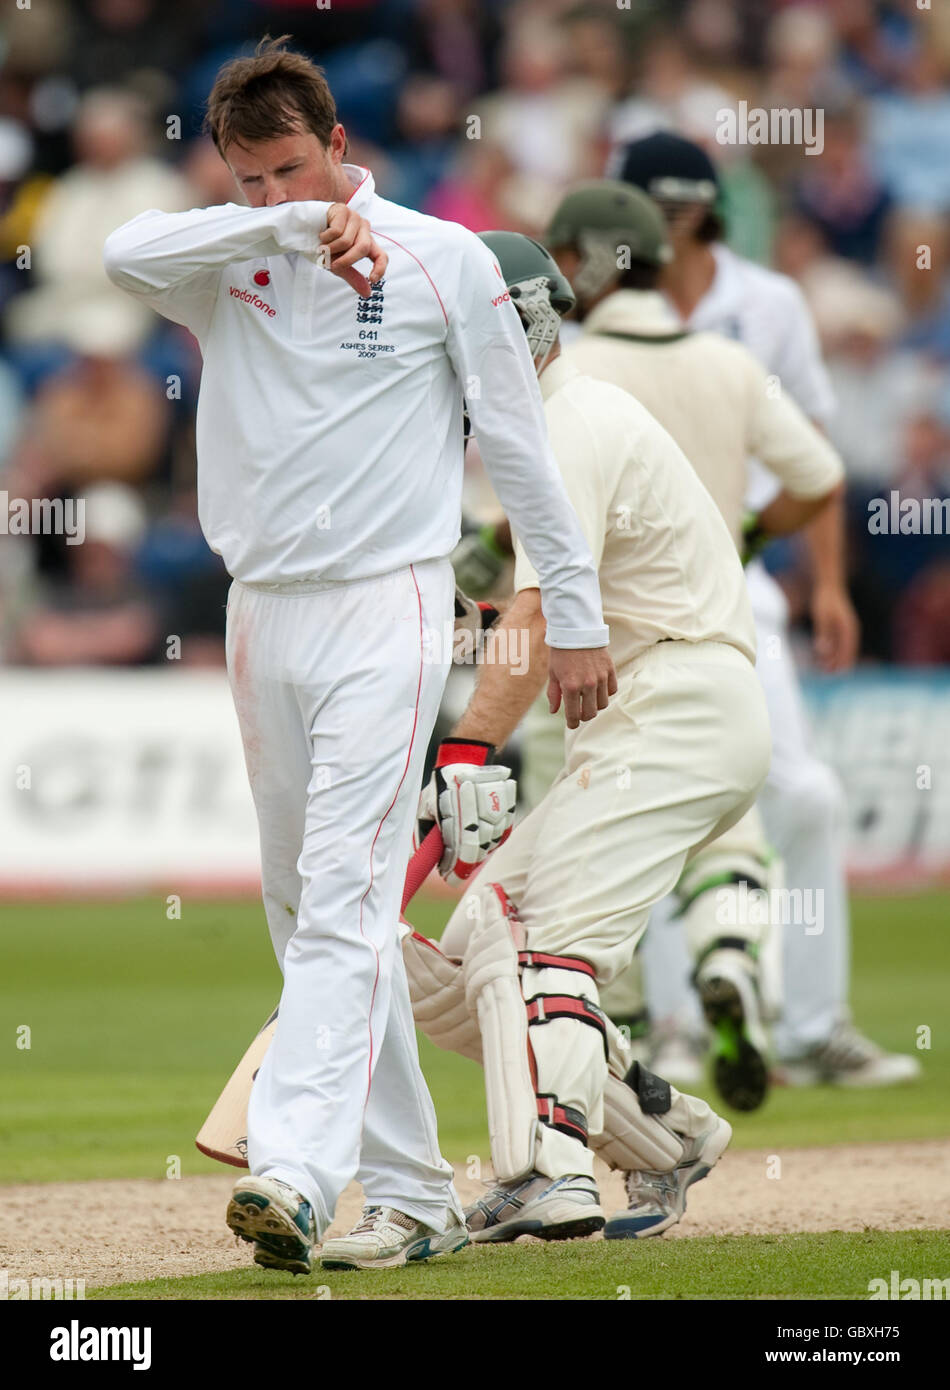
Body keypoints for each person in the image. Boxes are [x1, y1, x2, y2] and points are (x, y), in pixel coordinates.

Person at [104, 37, 615, 1275]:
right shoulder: (234, 260)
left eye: (292, 171)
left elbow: (518, 445)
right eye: (248, 179)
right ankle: (409, 1187)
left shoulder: (442, 261)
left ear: (341, 145)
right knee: (312, 913)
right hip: (261, 609)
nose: (273, 194)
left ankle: (295, 1169)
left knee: (342, 892)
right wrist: (275, 231)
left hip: (386, 606)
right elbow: (128, 253)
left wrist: (577, 617)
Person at [405, 230, 770, 1241]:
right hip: (645, 710)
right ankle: (668, 1138)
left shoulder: (565, 422)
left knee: (547, 940)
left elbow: (531, 622)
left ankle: (545, 1169)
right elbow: (524, 609)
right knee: (473, 947)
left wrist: (469, 750)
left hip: (681, 699)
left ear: (507, 325)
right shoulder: (543, 429)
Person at [616, 131, 920, 1087]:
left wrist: (826, 584)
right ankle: (671, 1024)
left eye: (682, 206)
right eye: (650, 209)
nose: (670, 226)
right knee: (647, 800)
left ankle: (810, 1026)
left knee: (807, 795)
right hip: (627, 584)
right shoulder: (598, 313)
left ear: (710, 205)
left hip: (736, 576)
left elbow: (813, 456)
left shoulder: (770, 303)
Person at [538, 178, 845, 1110]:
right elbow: (821, 475)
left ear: (580, 262)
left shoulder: (573, 371)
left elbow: (517, 532)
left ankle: (609, 1064)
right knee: (728, 826)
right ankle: (728, 958)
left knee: (580, 869)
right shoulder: (728, 362)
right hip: (718, 631)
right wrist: (746, 534)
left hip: (597, 650)